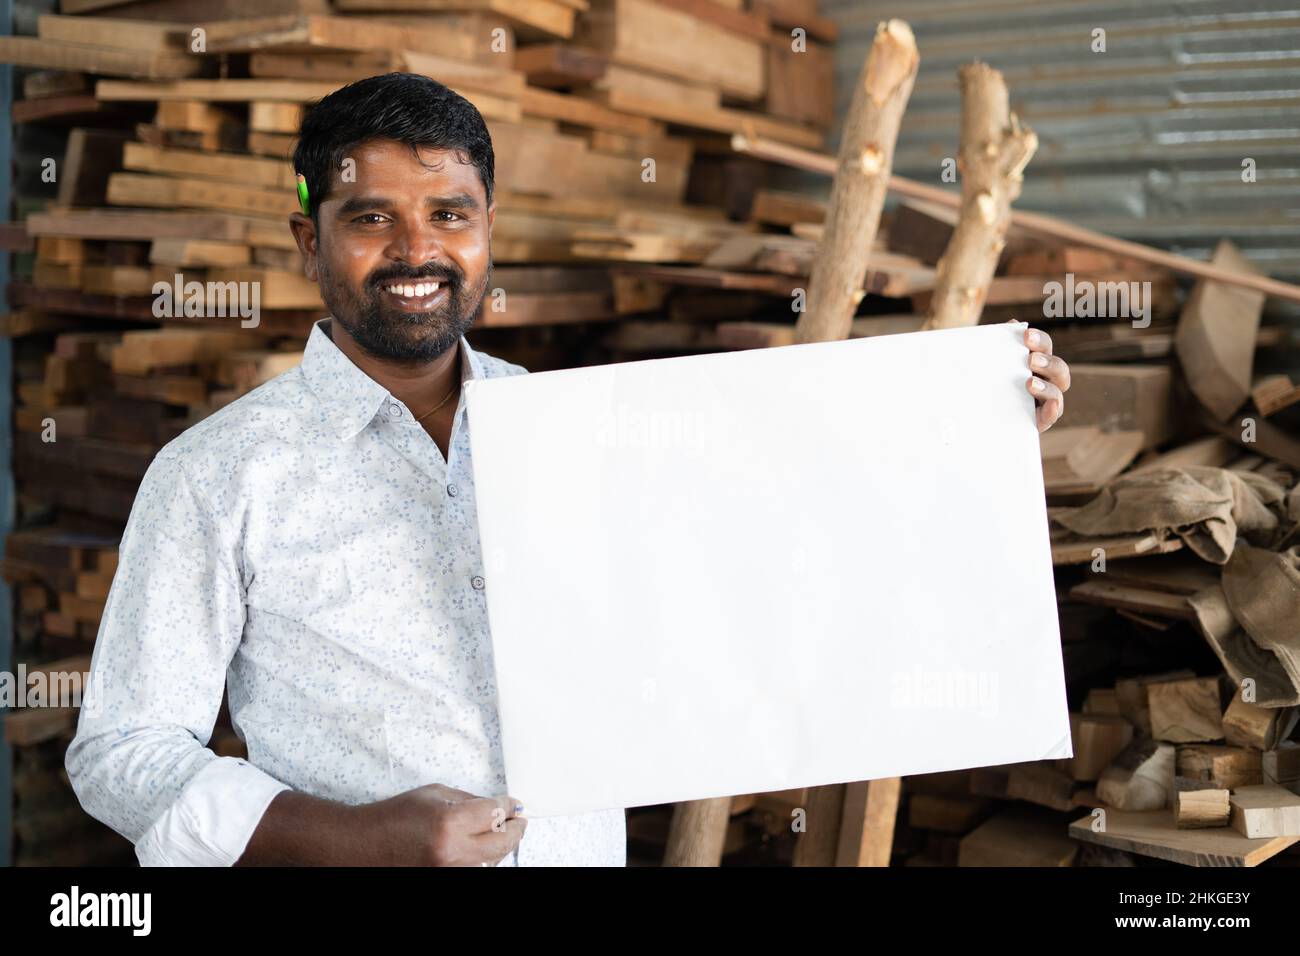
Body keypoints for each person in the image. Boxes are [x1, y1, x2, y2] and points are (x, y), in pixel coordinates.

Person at [65, 73, 1071, 867]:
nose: (417, 248)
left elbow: (780, 555)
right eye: (372, 217)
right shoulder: (218, 473)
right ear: (307, 240)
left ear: (489, 229)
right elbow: (123, 753)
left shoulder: (582, 436)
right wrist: (362, 840)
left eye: (450, 214)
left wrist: (968, 430)